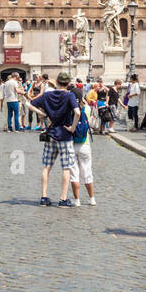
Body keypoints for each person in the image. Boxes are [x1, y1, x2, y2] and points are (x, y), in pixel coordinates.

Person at [27, 71, 80, 207]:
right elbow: (78, 113)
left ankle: (44, 197)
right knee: (66, 168)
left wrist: (43, 114)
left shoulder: (47, 95)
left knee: (46, 167)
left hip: (51, 134)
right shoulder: (70, 95)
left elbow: (29, 104)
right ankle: (63, 199)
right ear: (68, 84)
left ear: (56, 82)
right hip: (65, 135)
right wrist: (73, 128)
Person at [69, 91, 96, 207]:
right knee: (87, 171)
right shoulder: (87, 109)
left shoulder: (68, 110)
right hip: (85, 144)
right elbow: (93, 123)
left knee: (74, 174)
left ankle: (77, 200)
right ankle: (92, 198)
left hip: (72, 144)